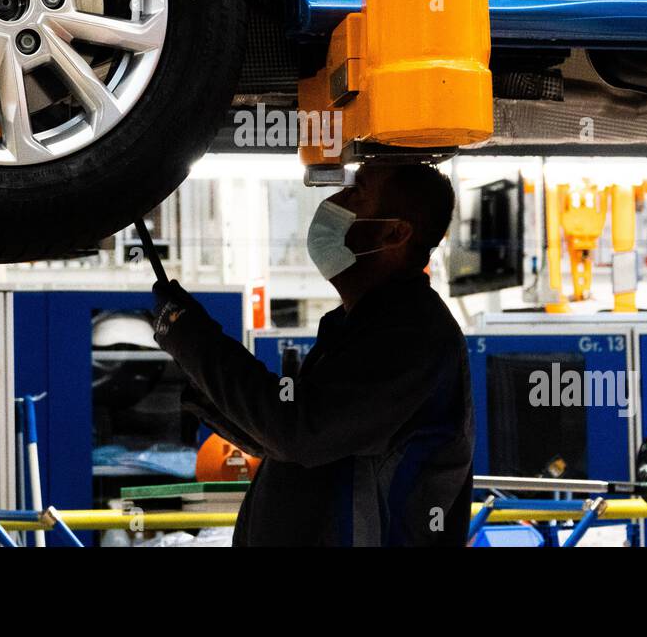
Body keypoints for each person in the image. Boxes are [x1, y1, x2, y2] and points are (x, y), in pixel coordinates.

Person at [151, 163, 473, 546]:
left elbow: (298, 432)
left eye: (357, 192)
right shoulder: (359, 325)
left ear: (395, 232)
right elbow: (287, 440)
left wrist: (192, 337)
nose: (332, 202)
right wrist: (205, 386)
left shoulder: (413, 333)